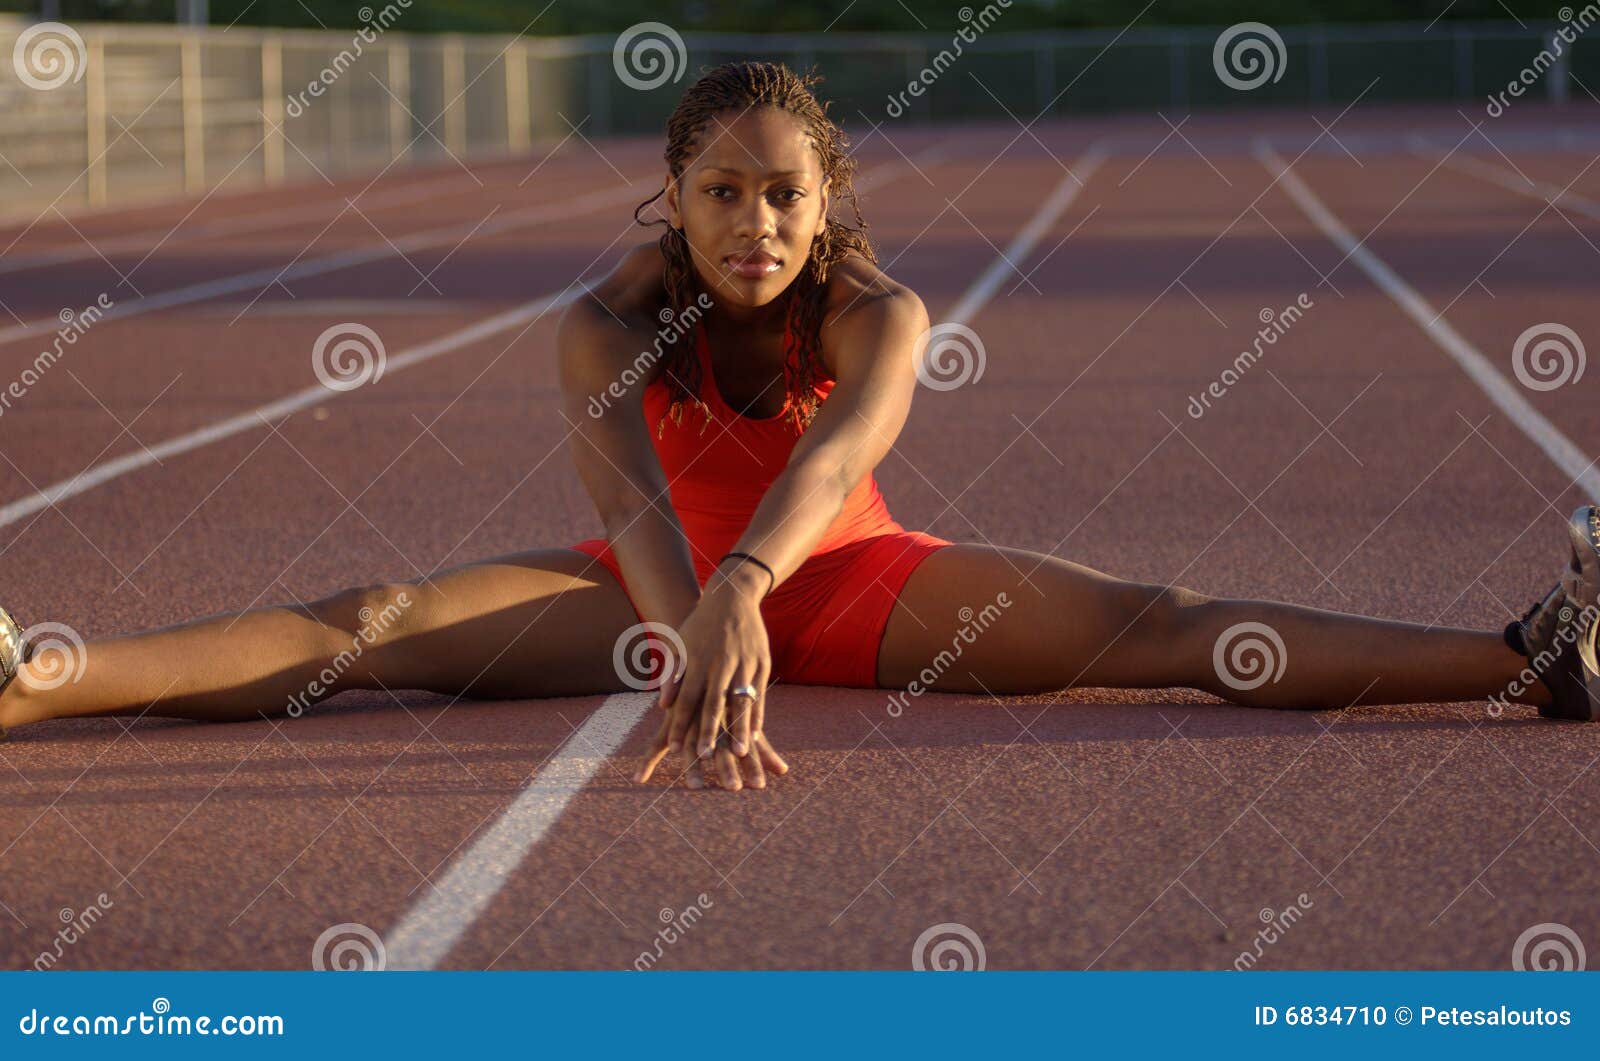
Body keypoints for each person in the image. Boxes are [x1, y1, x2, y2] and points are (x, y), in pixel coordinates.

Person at [0, 62, 1595, 794]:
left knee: (1164, 627)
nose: (754, 224)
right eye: (722, 194)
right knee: (380, 623)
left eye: (784, 196)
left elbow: (838, 466)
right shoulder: (604, 324)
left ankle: (1530, 657)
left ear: (827, 202)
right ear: (674, 197)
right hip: (659, 589)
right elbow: (628, 503)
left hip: (849, 576)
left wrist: (751, 584)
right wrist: (689, 618)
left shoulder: (874, 312)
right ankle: (34, 683)